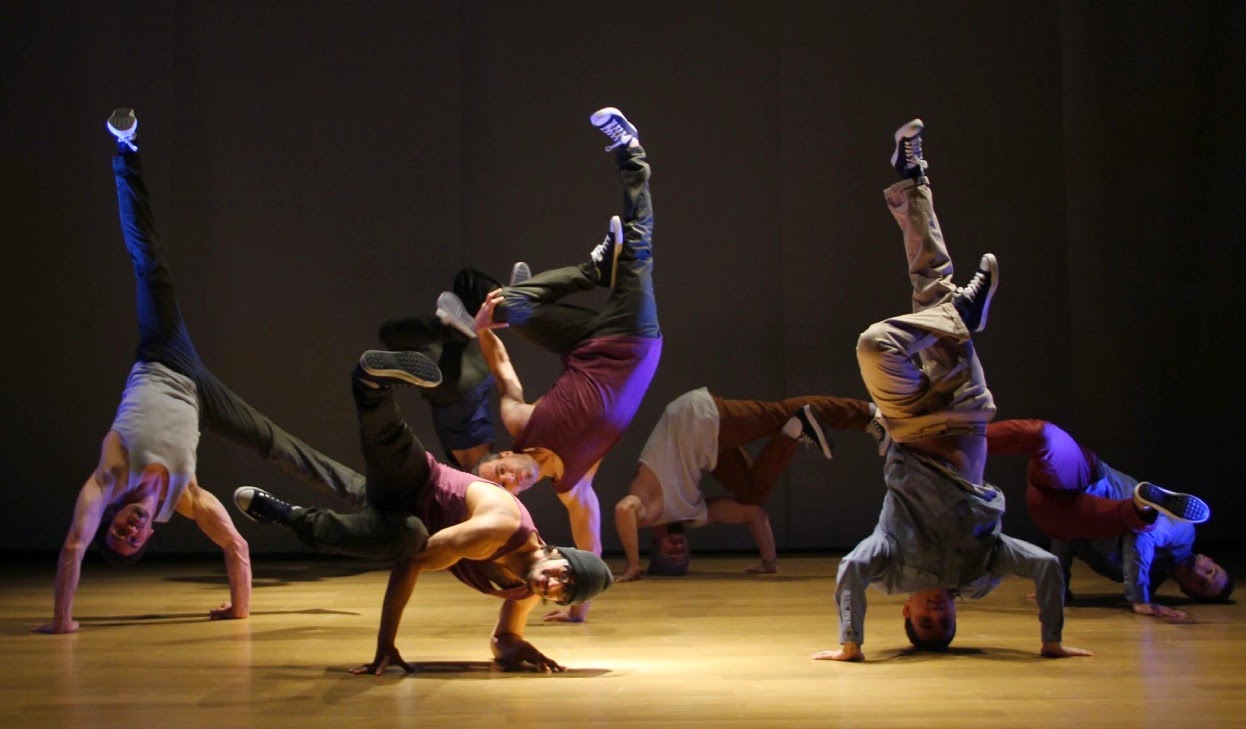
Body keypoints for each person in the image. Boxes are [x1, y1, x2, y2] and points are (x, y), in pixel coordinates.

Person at [35, 109, 369, 634]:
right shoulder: (183, 500)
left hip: (164, 356)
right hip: (202, 397)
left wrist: (62, 621)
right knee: (278, 445)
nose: (127, 529)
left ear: (114, 518)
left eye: (118, 531)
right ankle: (367, 494)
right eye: (133, 539)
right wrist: (240, 610)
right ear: (147, 538)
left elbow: (76, 543)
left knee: (151, 267)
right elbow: (235, 545)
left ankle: (125, 150)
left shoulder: (110, 476)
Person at [811, 119, 1091, 662]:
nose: (938, 610)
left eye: (927, 619)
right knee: (931, 283)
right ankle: (913, 176)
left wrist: (851, 643)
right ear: (958, 613)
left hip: (911, 424)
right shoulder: (981, 570)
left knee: (875, 344)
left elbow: (849, 571)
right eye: (947, 620)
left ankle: (958, 313)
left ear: (907, 613)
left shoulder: (890, 566)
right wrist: (1050, 640)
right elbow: (1047, 567)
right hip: (965, 412)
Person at [233, 350, 614, 674]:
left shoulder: (525, 591)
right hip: (416, 482)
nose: (553, 586)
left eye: (564, 594)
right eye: (562, 575)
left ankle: (285, 515)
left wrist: (518, 650)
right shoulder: (500, 528)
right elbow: (412, 563)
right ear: (555, 552)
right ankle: (371, 384)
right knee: (393, 463)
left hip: (403, 520)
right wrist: (386, 645)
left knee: (385, 527)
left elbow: (502, 641)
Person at [466, 107, 662, 622]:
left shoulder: (520, 423)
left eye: (499, 470)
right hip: (635, 341)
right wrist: (579, 607)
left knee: (502, 305)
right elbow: (587, 541)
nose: (509, 476)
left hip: (582, 345)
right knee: (638, 245)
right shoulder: (574, 483)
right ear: (524, 490)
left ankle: (592, 268)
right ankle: (630, 153)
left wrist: (482, 330)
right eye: (509, 484)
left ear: (502, 457)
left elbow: (504, 371)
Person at [613, 388, 885, 581]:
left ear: (654, 543)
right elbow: (753, 513)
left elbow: (624, 510)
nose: (679, 549)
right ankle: (793, 431)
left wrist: (633, 565)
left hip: (691, 420)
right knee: (753, 494)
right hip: (709, 450)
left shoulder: (648, 511)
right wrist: (769, 563)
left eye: (670, 553)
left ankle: (868, 414)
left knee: (778, 413)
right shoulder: (696, 516)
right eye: (682, 556)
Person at [987, 418, 1231, 618]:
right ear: (1207, 559)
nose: (1201, 575)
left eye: (1202, 586)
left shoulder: (1126, 574)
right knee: (1042, 435)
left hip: (1058, 512)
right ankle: (954, 439)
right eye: (1211, 571)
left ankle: (1138, 508)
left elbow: (1070, 537)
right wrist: (1139, 599)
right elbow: (1141, 540)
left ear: (1186, 591)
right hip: (1088, 480)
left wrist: (1058, 584)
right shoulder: (1183, 532)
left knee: (1065, 525)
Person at [377, 267, 509, 471]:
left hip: (476, 377)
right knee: (389, 334)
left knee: (467, 282)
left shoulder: (477, 459)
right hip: (454, 389)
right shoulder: (476, 476)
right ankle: (501, 308)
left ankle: (510, 303)